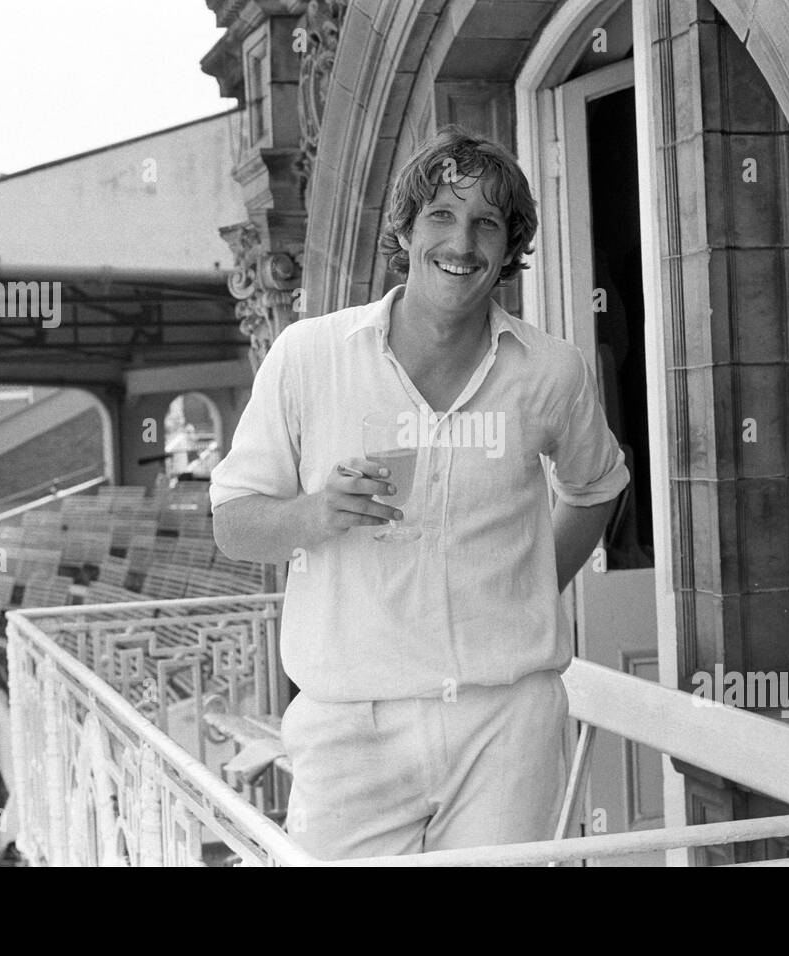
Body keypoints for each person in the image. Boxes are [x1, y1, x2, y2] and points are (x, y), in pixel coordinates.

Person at [210, 124, 629, 861]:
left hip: (506, 723)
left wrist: (530, 586)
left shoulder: (551, 372)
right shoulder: (309, 357)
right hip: (351, 727)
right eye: (440, 214)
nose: (461, 243)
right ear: (405, 230)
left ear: (509, 250)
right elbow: (234, 524)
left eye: (486, 223)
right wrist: (316, 513)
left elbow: (597, 487)